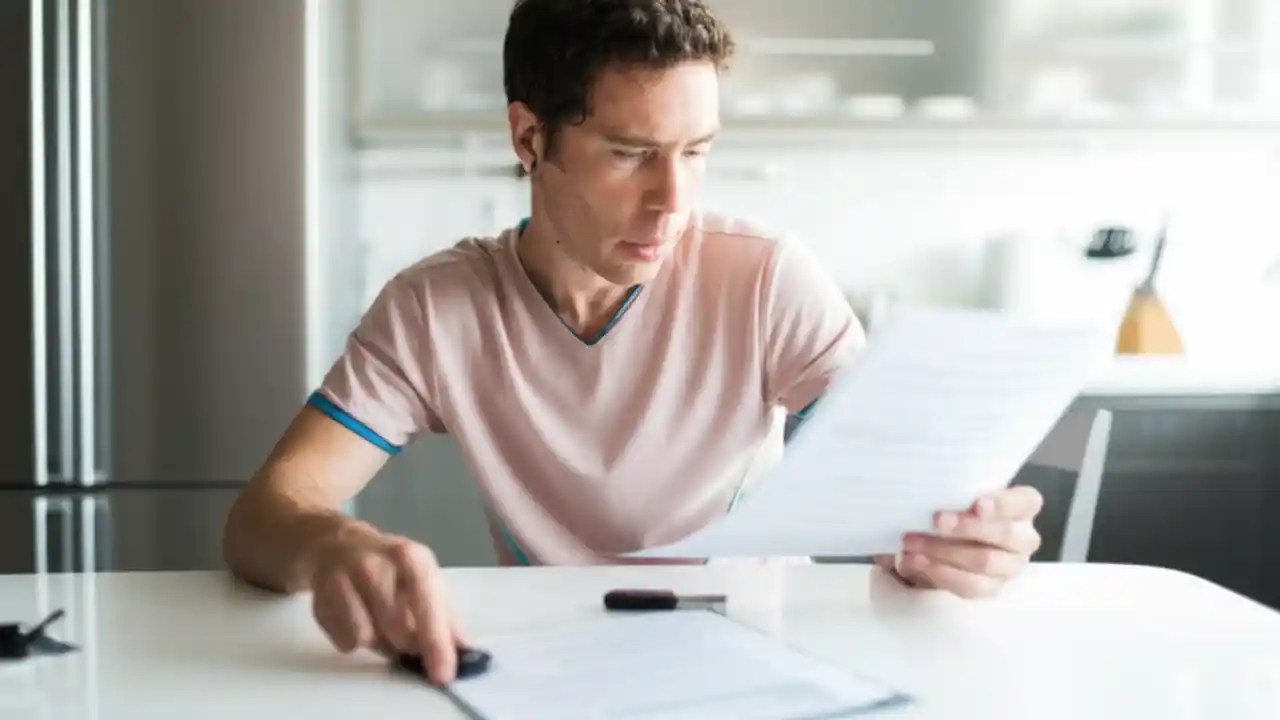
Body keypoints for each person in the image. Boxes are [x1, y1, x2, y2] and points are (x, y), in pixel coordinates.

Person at [223, 0, 1044, 684]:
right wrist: (335, 545)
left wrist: (948, 544)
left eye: (696, 153)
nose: (672, 202)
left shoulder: (764, 281)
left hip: (760, 670)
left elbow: (895, 497)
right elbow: (265, 515)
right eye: (630, 155)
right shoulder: (437, 308)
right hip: (548, 672)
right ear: (529, 138)